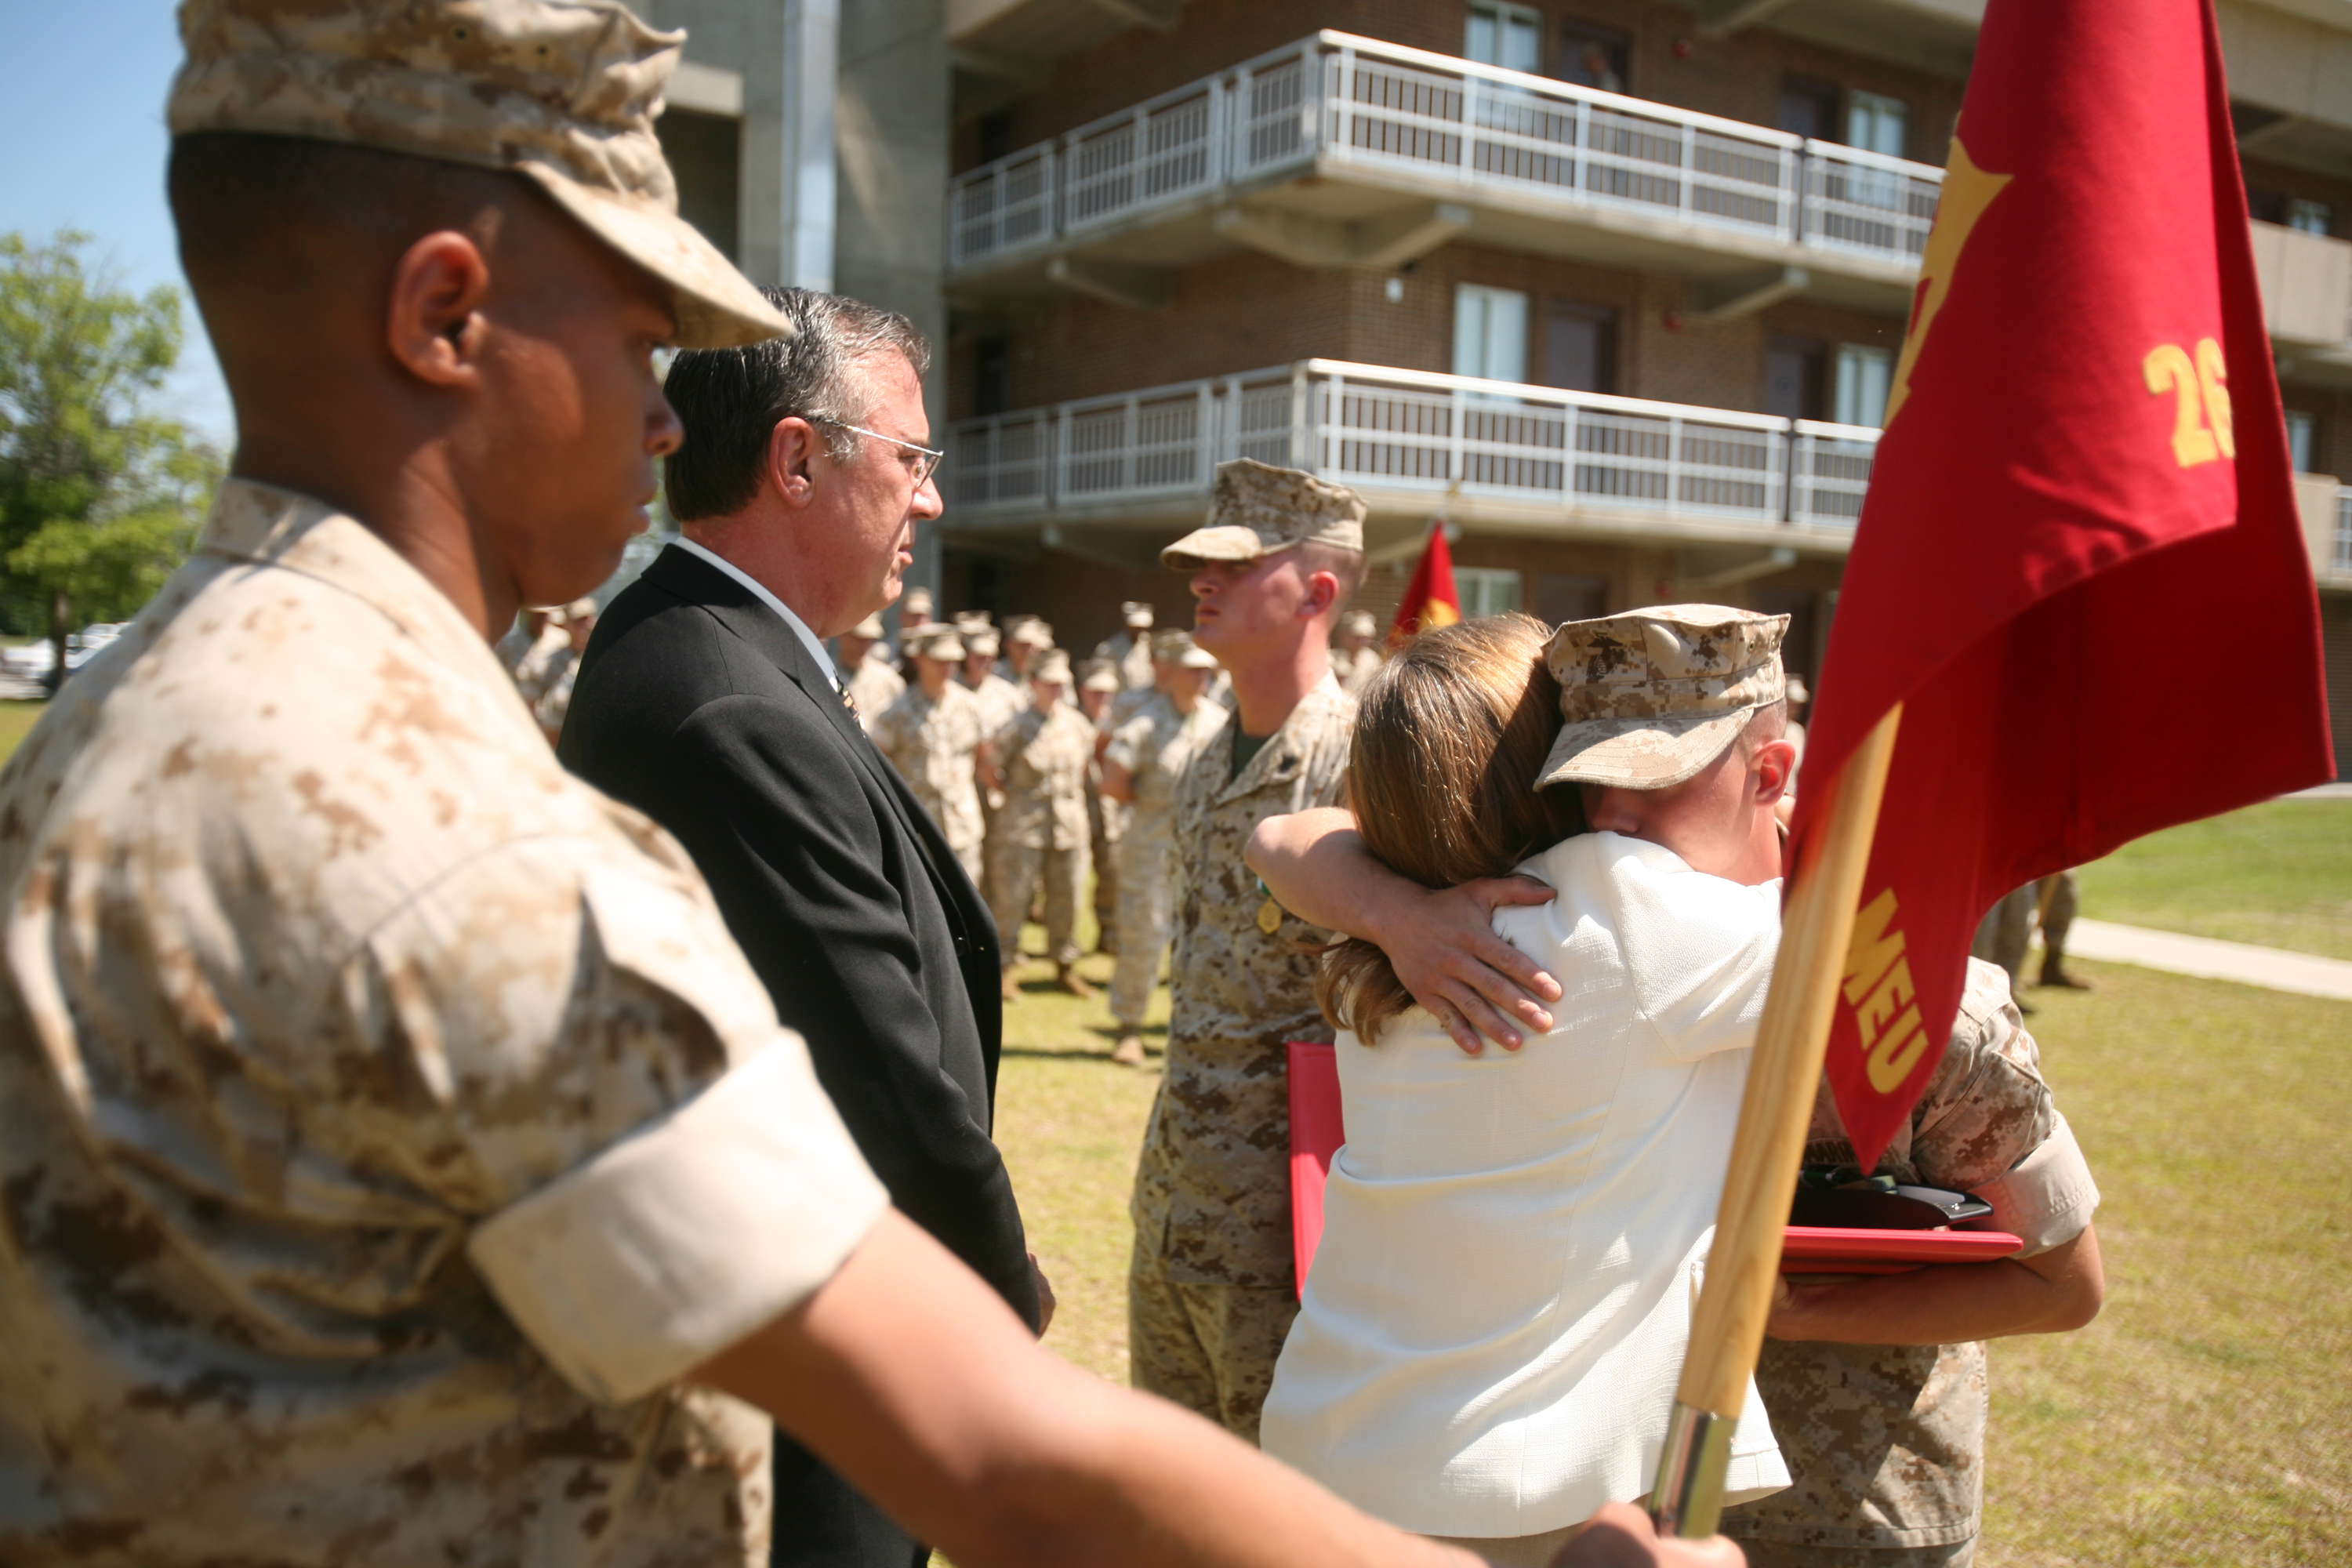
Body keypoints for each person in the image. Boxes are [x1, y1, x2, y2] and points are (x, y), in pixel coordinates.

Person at [0, 9, 1760, 1567]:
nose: (664, 418)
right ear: (446, 315)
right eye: (634, 337)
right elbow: (988, 1445)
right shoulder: (427, 831)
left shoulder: (153, 705)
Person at [556, 285, 1044, 1568]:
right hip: (811, 1378)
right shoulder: (728, 701)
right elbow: (879, 1074)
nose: (930, 502)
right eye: (912, 459)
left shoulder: (716, 649)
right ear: (796, 458)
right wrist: (1000, 1293)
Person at [1256, 609, 1798, 1564]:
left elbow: (1277, 835)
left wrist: (1390, 907)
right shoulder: (1620, 903)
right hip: (1496, 1506)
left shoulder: (1398, 924)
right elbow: (1896, 953)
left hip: (1321, 1454)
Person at [1722, 953, 2104, 1568]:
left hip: (1839, 1512)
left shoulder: (1925, 1017)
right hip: (1588, 1481)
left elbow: (2061, 1285)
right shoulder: (1539, 966)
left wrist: (1805, 1311)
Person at [1129, 459, 1366, 1443]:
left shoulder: (1360, 758)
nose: (1201, 583)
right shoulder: (1200, 755)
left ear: (1319, 590)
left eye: (1235, 564)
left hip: (1287, 1223)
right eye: (1198, 566)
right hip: (1180, 1195)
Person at [1101, 628, 1228, 1065]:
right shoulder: (1145, 722)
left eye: (1206, 671)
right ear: (1172, 673)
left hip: (1205, 852)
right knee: (1142, 936)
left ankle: (1188, 1025)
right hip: (1151, 850)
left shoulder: (1220, 721)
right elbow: (1113, 782)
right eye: (1193, 671)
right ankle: (1129, 1027)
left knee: (1201, 938)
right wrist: (1156, 804)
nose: (1201, 679)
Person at [979, 647, 1097, 1000]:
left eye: (1062, 683)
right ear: (1033, 683)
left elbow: (1088, 767)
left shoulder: (1076, 723)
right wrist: (1012, 795)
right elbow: (987, 766)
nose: (1057, 689)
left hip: (1068, 828)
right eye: (1049, 683)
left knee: (1067, 898)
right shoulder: (1016, 726)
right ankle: (1004, 971)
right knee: (1011, 900)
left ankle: (1065, 967)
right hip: (1022, 828)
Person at [874, 624, 989, 884]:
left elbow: (983, 757)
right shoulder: (897, 712)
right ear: (919, 658)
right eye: (940, 659)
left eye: (953, 660)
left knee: (967, 904)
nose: (948, 666)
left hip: (963, 825)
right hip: (919, 828)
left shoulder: (970, 706)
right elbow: (878, 765)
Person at [1080, 657, 1127, 954]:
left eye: (1108, 692)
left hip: (1110, 814)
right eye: (1096, 692)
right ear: (1083, 691)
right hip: (1075, 814)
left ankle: (1109, 937)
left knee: (1112, 876)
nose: (1103, 698)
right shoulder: (1069, 721)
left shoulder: (1121, 727)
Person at [532, 594, 597, 744]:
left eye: (587, 619)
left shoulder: (599, 657)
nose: (584, 625)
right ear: (566, 624)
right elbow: (531, 699)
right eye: (578, 620)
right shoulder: (551, 661)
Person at [840, 610, 906, 735]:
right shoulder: (826, 674)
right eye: (858, 637)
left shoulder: (888, 678)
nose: (864, 644)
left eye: (869, 639)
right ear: (843, 634)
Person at [1099, 598, 1157, 690]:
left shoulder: (1152, 644)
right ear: (1128, 625)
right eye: (1136, 627)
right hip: (1121, 701)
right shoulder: (1109, 649)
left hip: (1147, 701)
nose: (1140, 631)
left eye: (1144, 627)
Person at [1333, 608, 1384, 695]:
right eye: (1357, 637)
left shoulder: (1373, 659)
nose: (1362, 642)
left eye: (1366, 638)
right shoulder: (1330, 658)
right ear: (1345, 635)